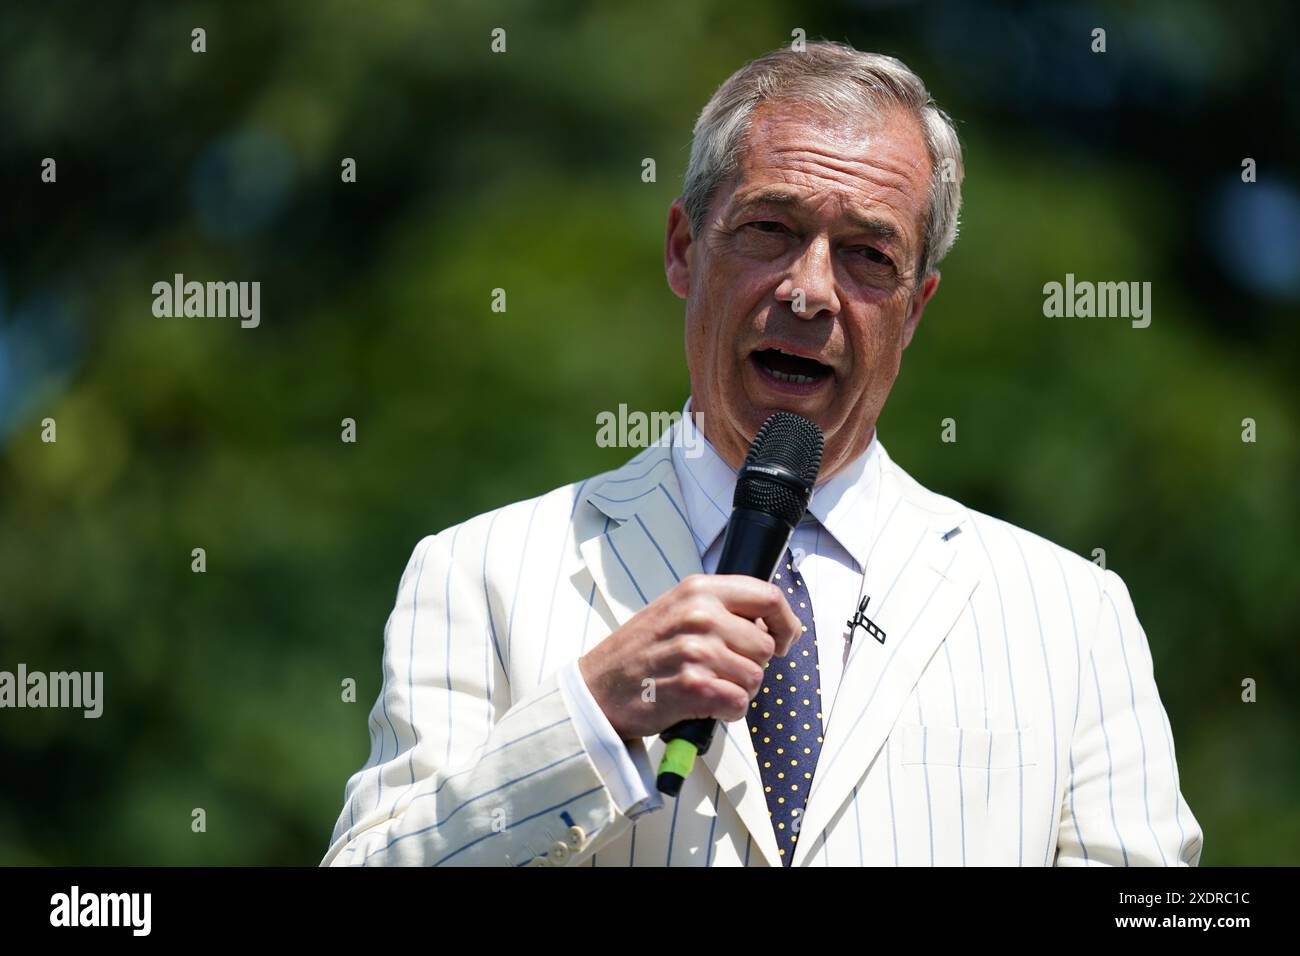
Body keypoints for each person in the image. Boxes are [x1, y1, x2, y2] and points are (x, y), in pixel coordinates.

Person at [322, 41, 1202, 867]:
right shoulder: (479, 575)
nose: (810, 290)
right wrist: (590, 715)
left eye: (867, 254)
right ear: (682, 248)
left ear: (916, 307)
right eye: (771, 229)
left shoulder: (1070, 616)